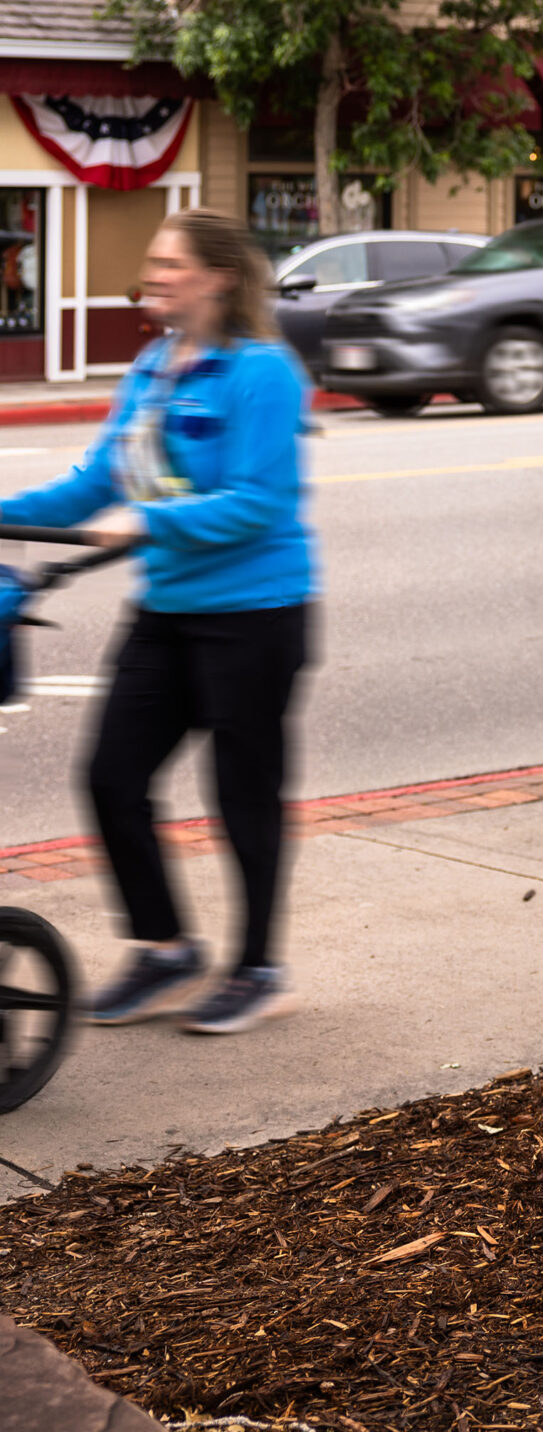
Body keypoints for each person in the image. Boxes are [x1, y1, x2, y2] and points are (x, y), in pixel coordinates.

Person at [0, 209, 316, 1034]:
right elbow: (96, 481)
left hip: (256, 614)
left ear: (218, 277)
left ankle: (258, 970)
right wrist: (4, 511)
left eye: (171, 263)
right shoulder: (151, 368)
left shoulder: (261, 372)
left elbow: (259, 501)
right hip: (167, 611)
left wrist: (149, 520)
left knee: (242, 797)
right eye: (154, 261)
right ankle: (166, 948)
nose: (154, 275)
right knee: (112, 777)